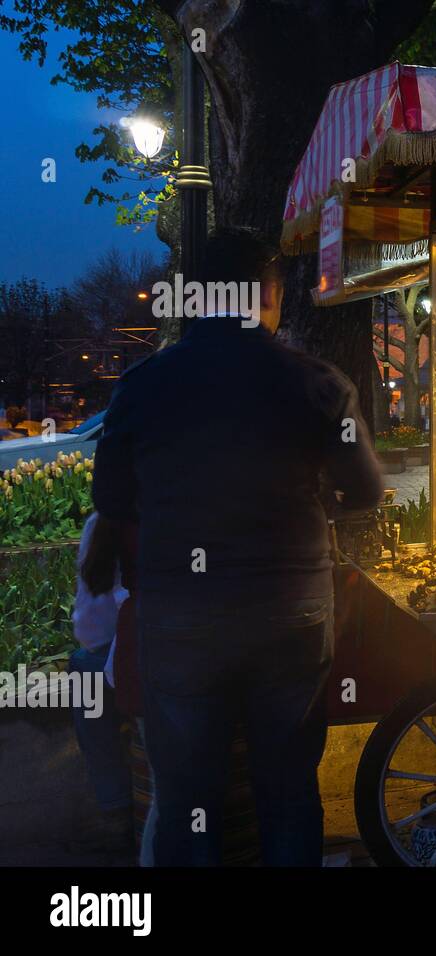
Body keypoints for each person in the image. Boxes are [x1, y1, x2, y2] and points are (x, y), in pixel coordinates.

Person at [91, 226, 383, 866]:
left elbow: (111, 500)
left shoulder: (143, 385)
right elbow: (365, 490)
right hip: (292, 613)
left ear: (195, 299)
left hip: (182, 616)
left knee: (188, 796)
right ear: (271, 297)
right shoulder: (317, 382)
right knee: (287, 792)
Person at [68, 511, 133, 850]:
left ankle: (116, 809)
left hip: (143, 656)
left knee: (84, 671)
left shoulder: (105, 522)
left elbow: (90, 628)